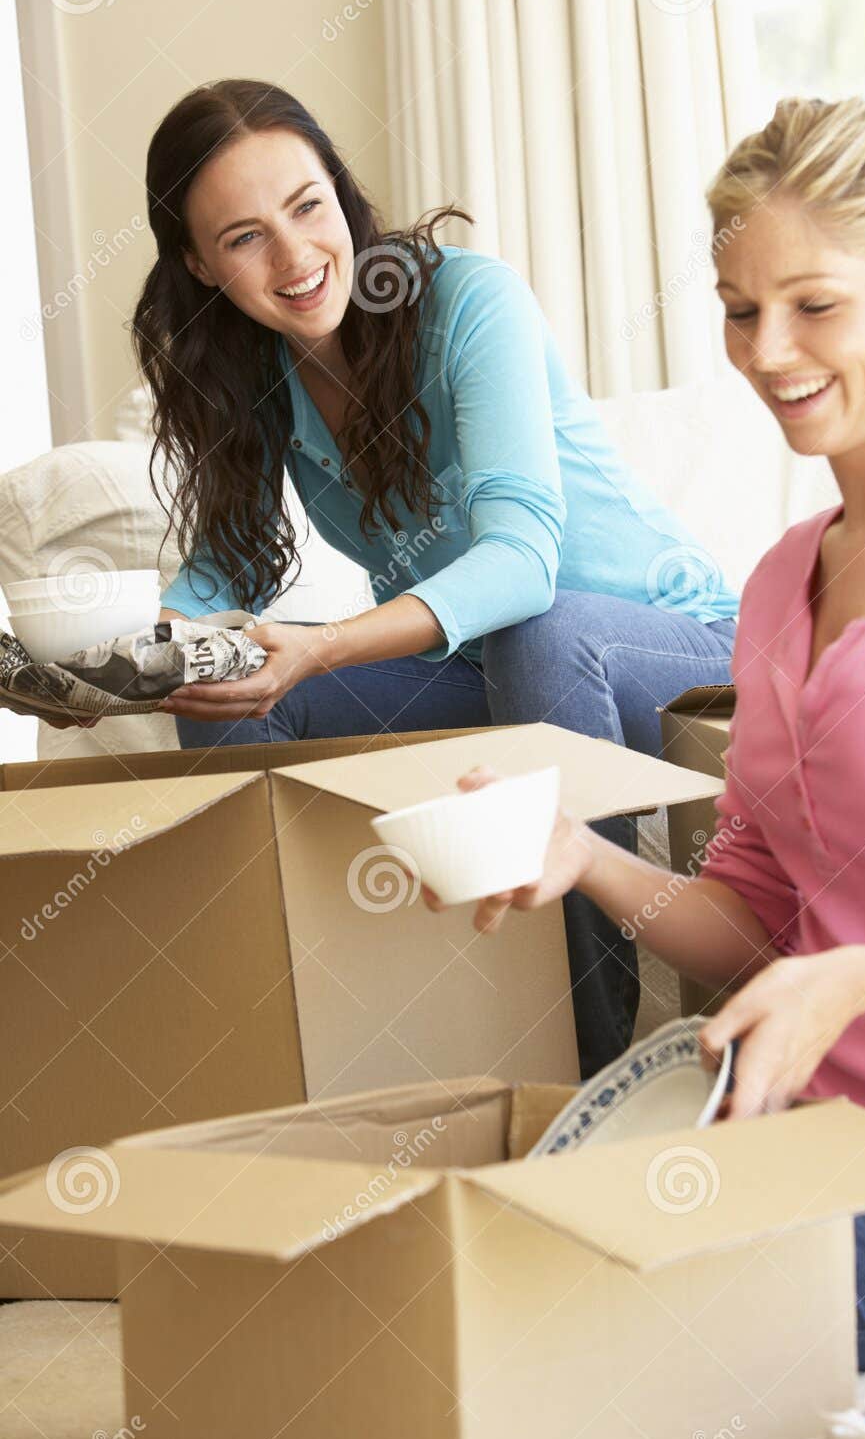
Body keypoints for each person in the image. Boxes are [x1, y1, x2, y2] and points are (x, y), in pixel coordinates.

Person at [426, 97, 865, 1370]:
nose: (768, 350)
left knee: (533, 1323)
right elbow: (757, 920)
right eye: (737, 309)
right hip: (791, 1139)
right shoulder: (778, 583)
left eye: (813, 305)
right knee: (465, 1234)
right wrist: (582, 858)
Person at [120, 78, 738, 1076]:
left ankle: (584, 1073)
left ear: (342, 192)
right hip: (497, 665)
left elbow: (523, 562)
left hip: (667, 640)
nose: (293, 257)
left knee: (540, 635)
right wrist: (114, 668)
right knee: (225, 688)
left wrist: (322, 644)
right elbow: (217, 578)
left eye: (307, 206)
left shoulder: (465, 299)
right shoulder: (260, 376)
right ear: (198, 263)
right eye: (242, 237)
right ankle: (291, 1041)